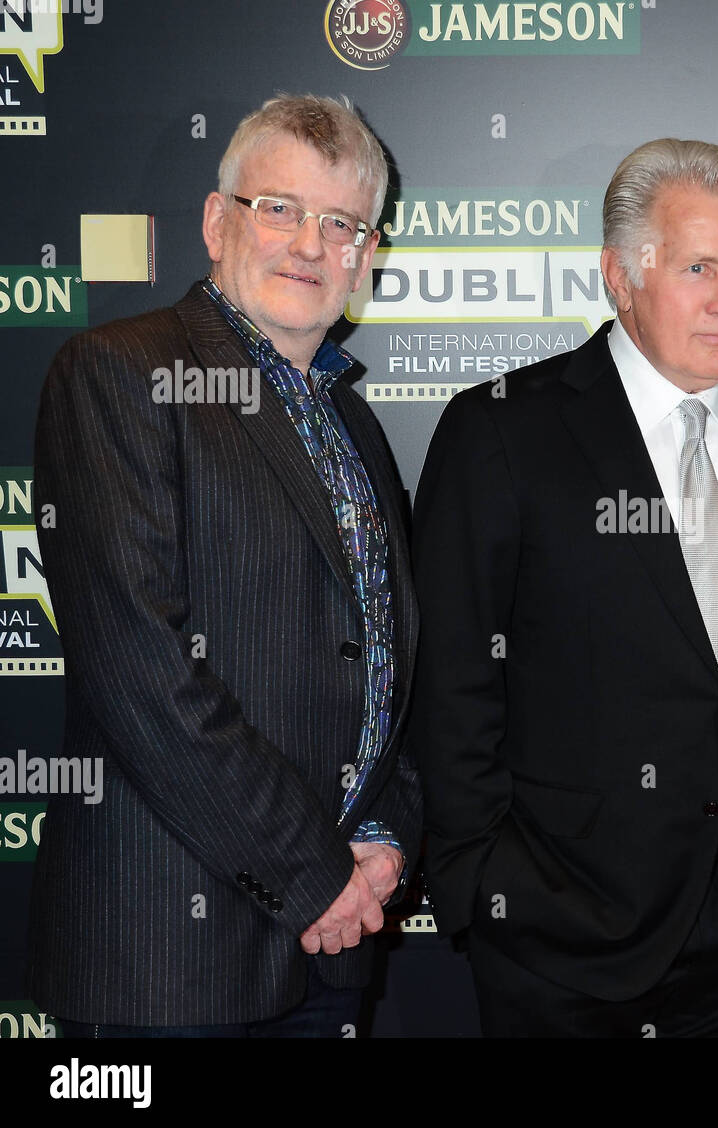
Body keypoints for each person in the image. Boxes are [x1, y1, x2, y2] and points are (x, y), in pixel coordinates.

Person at [410, 138, 718, 1036]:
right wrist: (486, 879)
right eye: (698, 266)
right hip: (564, 934)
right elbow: (454, 682)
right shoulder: (501, 432)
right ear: (620, 276)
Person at [28, 94, 421, 1036]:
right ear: (217, 221)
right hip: (170, 961)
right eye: (278, 209)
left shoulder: (353, 424)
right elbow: (142, 672)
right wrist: (316, 876)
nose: (309, 245)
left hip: (330, 948)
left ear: (366, 253)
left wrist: (383, 834)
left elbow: (390, 661)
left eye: (341, 224)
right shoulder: (121, 373)